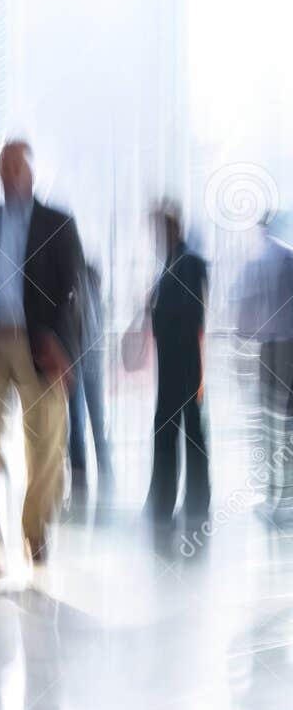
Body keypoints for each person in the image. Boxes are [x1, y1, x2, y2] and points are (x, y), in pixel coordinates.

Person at [0, 139, 85, 582]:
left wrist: (64, 350)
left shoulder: (58, 222)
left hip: (41, 344)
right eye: (3, 166)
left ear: (31, 171)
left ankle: (35, 531)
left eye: (17, 165)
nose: (9, 173)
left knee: (46, 444)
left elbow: (75, 291)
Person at [144, 201, 210, 530]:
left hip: (181, 364)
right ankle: (178, 500)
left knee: (182, 431)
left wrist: (155, 311)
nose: (155, 235)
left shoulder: (188, 263)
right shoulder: (173, 263)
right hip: (175, 364)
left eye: (158, 227)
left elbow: (191, 315)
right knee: (182, 431)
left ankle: (180, 501)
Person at [235, 215, 293, 520]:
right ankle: (285, 496)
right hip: (288, 347)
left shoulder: (256, 262)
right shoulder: (287, 257)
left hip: (268, 350)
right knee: (286, 424)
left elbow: (245, 315)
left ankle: (274, 496)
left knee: (270, 425)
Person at [66, 258, 113, 499]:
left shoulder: (84, 299)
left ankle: (81, 476)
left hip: (82, 363)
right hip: (85, 363)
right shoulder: (93, 300)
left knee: (80, 422)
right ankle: (99, 473)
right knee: (88, 421)